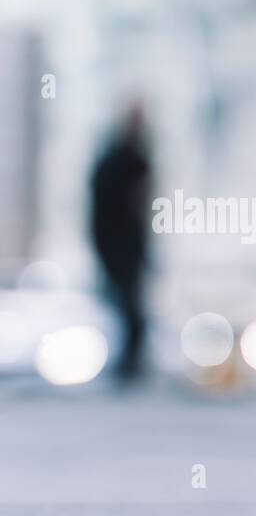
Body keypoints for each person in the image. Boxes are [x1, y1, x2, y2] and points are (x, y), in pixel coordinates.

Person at [90, 104, 153, 381]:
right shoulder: (118, 164)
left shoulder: (127, 160)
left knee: (132, 313)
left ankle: (130, 368)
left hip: (126, 250)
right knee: (129, 313)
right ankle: (128, 369)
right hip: (118, 250)